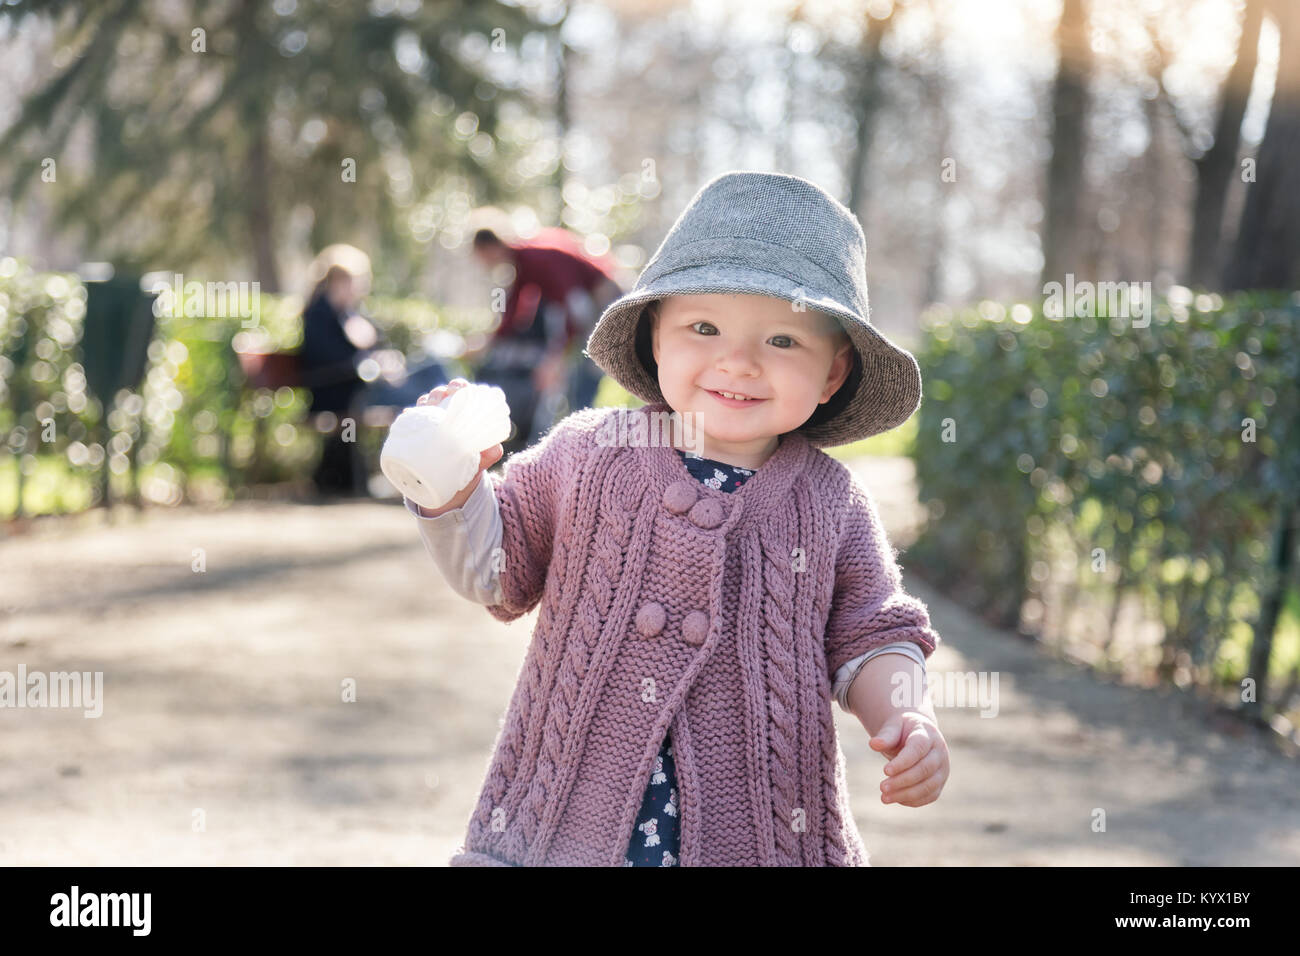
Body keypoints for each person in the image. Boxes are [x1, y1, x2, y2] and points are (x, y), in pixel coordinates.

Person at [403, 172, 949, 866]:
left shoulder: (830, 502)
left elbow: (874, 631)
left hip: (761, 839)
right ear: (656, 338)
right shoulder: (590, 454)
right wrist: (451, 489)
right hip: (562, 828)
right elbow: (499, 569)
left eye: (783, 341)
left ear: (834, 374)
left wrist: (905, 712)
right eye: (704, 328)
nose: (738, 362)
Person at [297, 244, 450, 495]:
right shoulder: (319, 315)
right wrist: (369, 364)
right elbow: (328, 361)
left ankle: (439, 457)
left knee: (434, 368)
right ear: (338, 282)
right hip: (347, 393)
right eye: (357, 282)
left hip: (371, 385)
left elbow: (375, 346)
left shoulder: (351, 314)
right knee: (426, 396)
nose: (361, 289)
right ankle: (436, 465)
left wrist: (383, 359)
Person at [470, 226, 622, 455]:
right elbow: (514, 309)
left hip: (603, 301)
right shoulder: (523, 263)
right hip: (585, 310)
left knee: (582, 381)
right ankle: (574, 449)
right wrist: (489, 340)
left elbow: (573, 307)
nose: (484, 263)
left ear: (490, 248)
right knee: (570, 383)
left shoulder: (535, 258)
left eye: (482, 257)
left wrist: (556, 358)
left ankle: (587, 450)